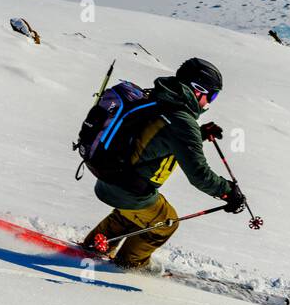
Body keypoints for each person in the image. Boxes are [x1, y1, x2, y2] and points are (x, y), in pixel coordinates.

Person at [83, 57, 245, 268]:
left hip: (108, 177)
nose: (209, 103)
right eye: (211, 96)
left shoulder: (159, 97)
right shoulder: (181, 121)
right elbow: (198, 174)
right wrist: (228, 192)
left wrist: (199, 134)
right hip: (130, 191)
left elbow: (153, 137)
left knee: (136, 214)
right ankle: (130, 264)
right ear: (197, 90)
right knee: (165, 222)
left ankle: (94, 247)